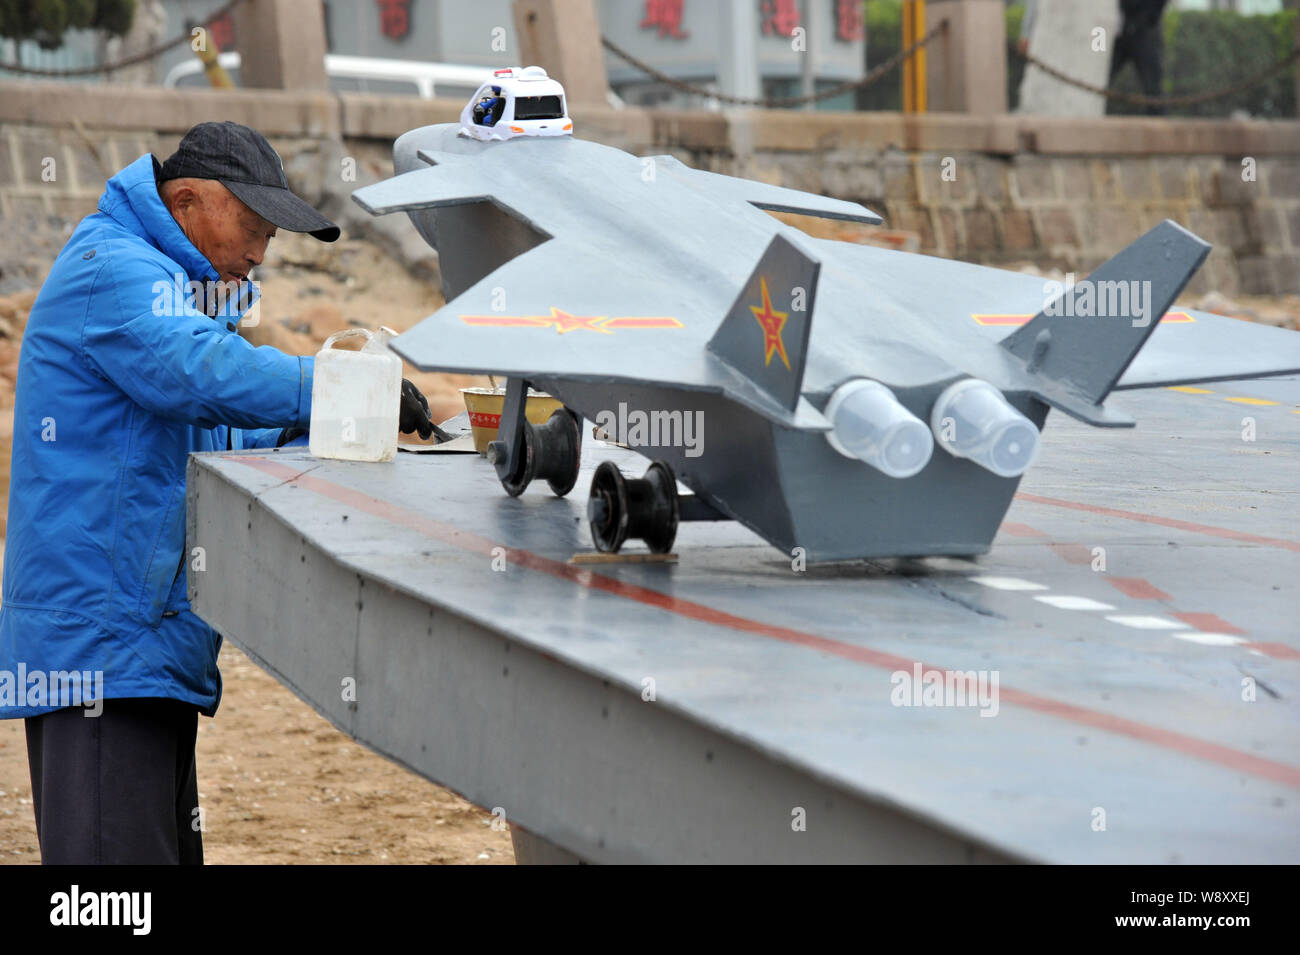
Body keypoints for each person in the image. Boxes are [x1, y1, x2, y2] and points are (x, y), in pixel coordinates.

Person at [0, 121, 436, 864]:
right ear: (187, 199)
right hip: (99, 650)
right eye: (254, 226)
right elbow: (199, 372)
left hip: (152, 650)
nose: (261, 253)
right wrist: (340, 386)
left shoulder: (186, 295)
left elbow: (233, 437)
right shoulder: (115, 269)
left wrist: (361, 431)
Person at [1110, 0, 1171, 115]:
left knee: (1153, 89)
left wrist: (1150, 18)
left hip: (1146, 32)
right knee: (1101, 80)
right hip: (1120, 30)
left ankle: (1158, 128)